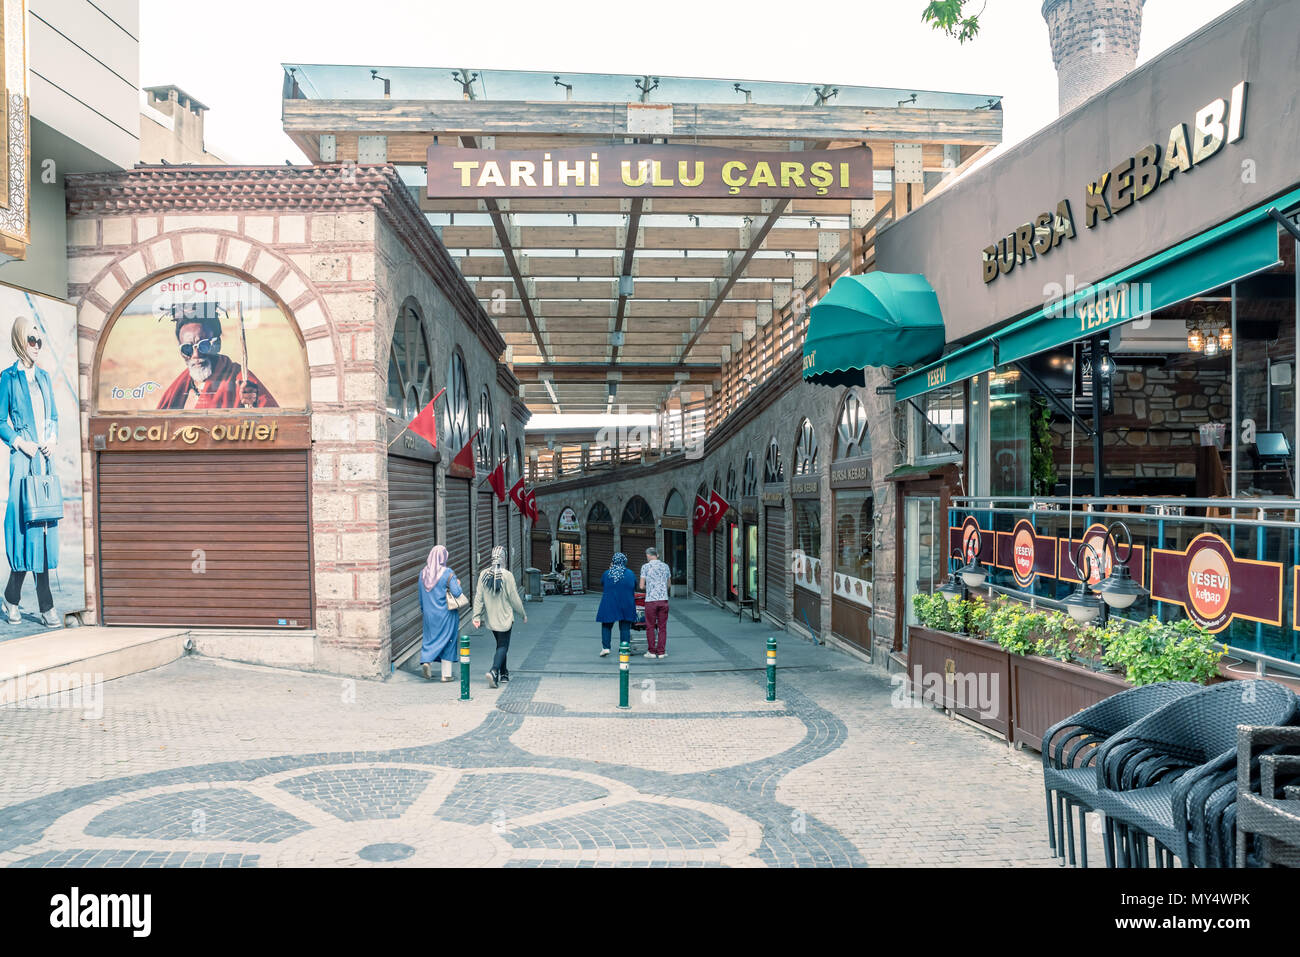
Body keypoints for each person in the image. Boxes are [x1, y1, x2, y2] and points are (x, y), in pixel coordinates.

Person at [0, 316, 61, 628]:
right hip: (24, 462)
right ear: (19, 341)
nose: (37, 346)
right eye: (32, 340)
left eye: (39, 340)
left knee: (44, 529)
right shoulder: (8, 378)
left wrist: (51, 439)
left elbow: (54, 417)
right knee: (27, 529)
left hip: (45, 462)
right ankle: (29, 600)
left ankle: (22, 598)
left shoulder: (46, 378)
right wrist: (20, 442)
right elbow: (0, 422)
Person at [155, 301, 277, 409]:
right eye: (187, 349)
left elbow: (275, 423)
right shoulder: (180, 387)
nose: (196, 355)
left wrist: (253, 406)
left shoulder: (240, 380)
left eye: (203, 346)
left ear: (217, 344)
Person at [472, 545, 527, 688]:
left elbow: (478, 597)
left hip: (490, 618)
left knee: (500, 646)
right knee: (503, 646)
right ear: (503, 558)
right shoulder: (507, 576)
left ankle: (504, 673)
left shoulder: (484, 574)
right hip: (505, 618)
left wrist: (476, 616)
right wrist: (522, 614)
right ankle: (494, 670)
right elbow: (514, 598)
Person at [418, 544, 464, 682]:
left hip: (429, 614)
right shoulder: (447, 572)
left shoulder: (423, 573)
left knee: (429, 639)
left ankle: (427, 662)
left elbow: (420, 595)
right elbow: (457, 592)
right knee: (449, 640)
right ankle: (446, 675)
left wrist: (424, 611)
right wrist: (458, 583)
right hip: (446, 614)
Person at [595, 551, 636, 658]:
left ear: (613, 562)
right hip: (626, 604)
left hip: (609, 603)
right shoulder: (630, 574)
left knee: (606, 625)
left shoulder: (607, 573)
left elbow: (603, 584)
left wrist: (610, 569)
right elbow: (634, 586)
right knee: (625, 627)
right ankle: (624, 648)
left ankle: (606, 648)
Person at [638, 546, 671, 659]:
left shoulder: (645, 567)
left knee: (650, 626)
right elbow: (668, 585)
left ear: (648, 555)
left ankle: (651, 652)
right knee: (662, 627)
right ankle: (661, 652)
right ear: (657, 555)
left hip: (651, 601)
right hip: (663, 600)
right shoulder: (666, 566)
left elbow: (641, 586)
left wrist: (651, 587)